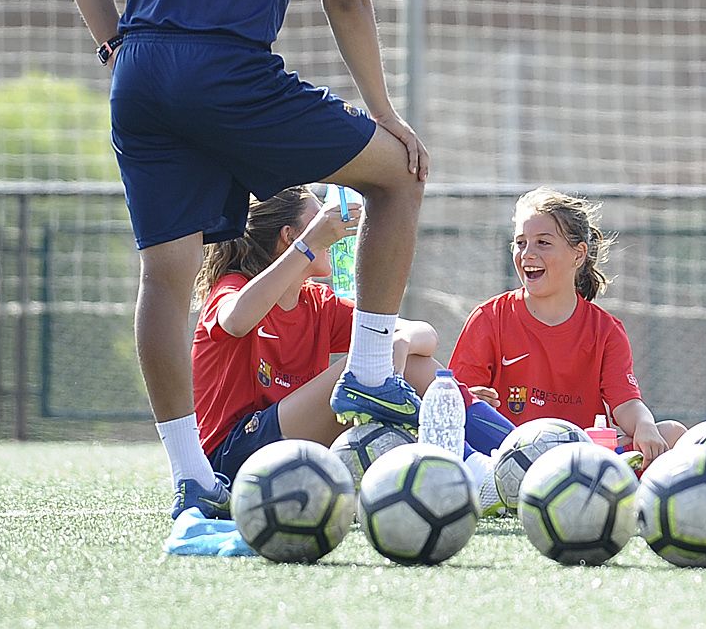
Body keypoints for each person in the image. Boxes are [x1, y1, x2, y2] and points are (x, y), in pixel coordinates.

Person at [54, 0, 429, 521]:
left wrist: (114, 42)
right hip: (225, 72)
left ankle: (191, 477)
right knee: (397, 176)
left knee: (163, 277)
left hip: (140, 75)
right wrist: (387, 113)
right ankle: (370, 371)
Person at [193, 186, 513, 481]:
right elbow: (236, 321)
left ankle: (516, 452)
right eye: (320, 220)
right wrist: (310, 243)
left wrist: (400, 343)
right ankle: (476, 472)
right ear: (290, 237)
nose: (333, 232)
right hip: (232, 458)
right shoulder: (233, 287)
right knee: (365, 362)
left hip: (293, 452)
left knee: (403, 362)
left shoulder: (318, 303)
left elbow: (425, 336)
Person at [448, 188, 685, 464]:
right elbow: (457, 403)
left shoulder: (605, 330)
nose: (527, 253)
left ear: (578, 254)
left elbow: (626, 403)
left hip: (580, 463)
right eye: (521, 243)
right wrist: (470, 400)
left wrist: (644, 424)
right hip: (509, 458)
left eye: (543, 243)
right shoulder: (490, 318)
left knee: (673, 434)